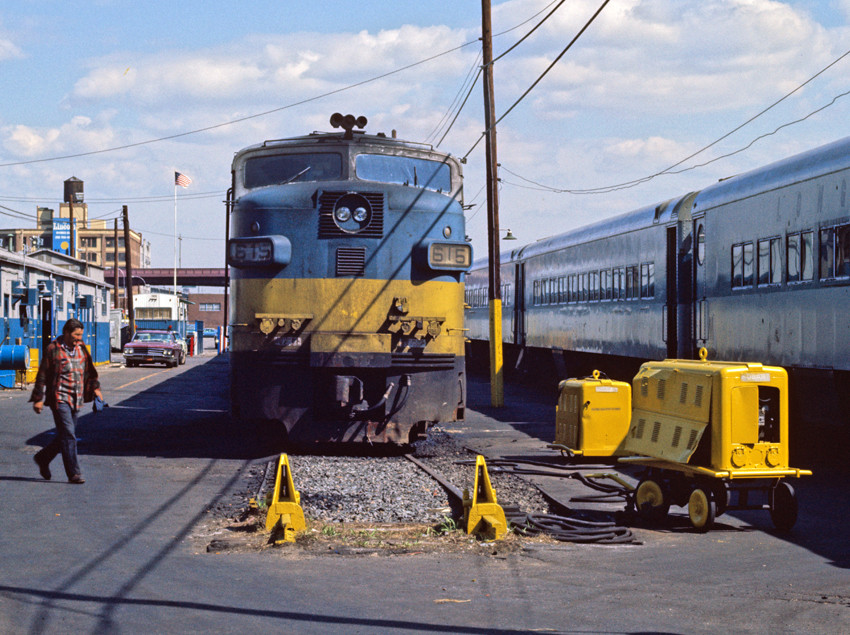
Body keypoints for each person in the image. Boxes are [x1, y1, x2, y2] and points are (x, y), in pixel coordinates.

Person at [30, 318, 103, 484]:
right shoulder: (53, 349)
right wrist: (38, 398)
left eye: (80, 335)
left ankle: (43, 458)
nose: (79, 338)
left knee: (65, 434)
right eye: (76, 335)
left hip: (76, 398)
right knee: (69, 435)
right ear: (66, 333)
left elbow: (90, 371)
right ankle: (74, 474)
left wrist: (96, 389)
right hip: (59, 398)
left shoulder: (81, 348)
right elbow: (42, 374)